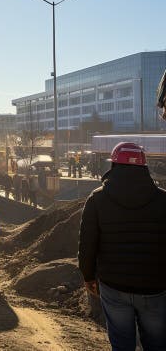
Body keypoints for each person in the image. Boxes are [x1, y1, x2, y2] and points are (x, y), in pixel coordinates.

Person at [78, 142, 166, 350]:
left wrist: (88, 275)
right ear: (144, 167)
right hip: (155, 287)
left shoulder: (97, 199)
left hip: (113, 285)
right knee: (157, 343)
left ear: (114, 166)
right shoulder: (163, 199)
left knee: (121, 342)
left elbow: (87, 242)